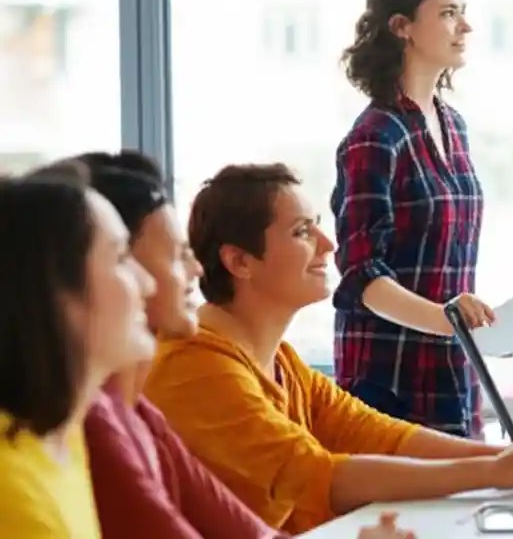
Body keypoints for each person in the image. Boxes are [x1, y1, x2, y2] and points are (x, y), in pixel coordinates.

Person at [143, 163, 513, 534]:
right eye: (302, 231)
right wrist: (494, 471)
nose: (328, 246)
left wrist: (511, 457)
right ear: (240, 262)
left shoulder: (281, 362)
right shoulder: (197, 366)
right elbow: (322, 477)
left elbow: (380, 436)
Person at [72, 152, 414, 539]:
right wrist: (490, 470)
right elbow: (316, 476)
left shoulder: (138, 414)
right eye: (119, 260)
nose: (195, 269)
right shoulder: (175, 376)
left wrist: (492, 466)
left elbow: (249, 529)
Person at [332, 0, 495, 437]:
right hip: (390, 378)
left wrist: (460, 325)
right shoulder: (374, 136)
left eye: (463, 11)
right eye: (448, 13)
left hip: (451, 368)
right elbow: (362, 276)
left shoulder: (453, 125)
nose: (464, 26)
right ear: (402, 27)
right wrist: (447, 320)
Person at [0, 170, 157, 538]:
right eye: (120, 258)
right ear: (55, 293)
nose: (147, 284)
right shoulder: (18, 502)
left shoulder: (61, 435)